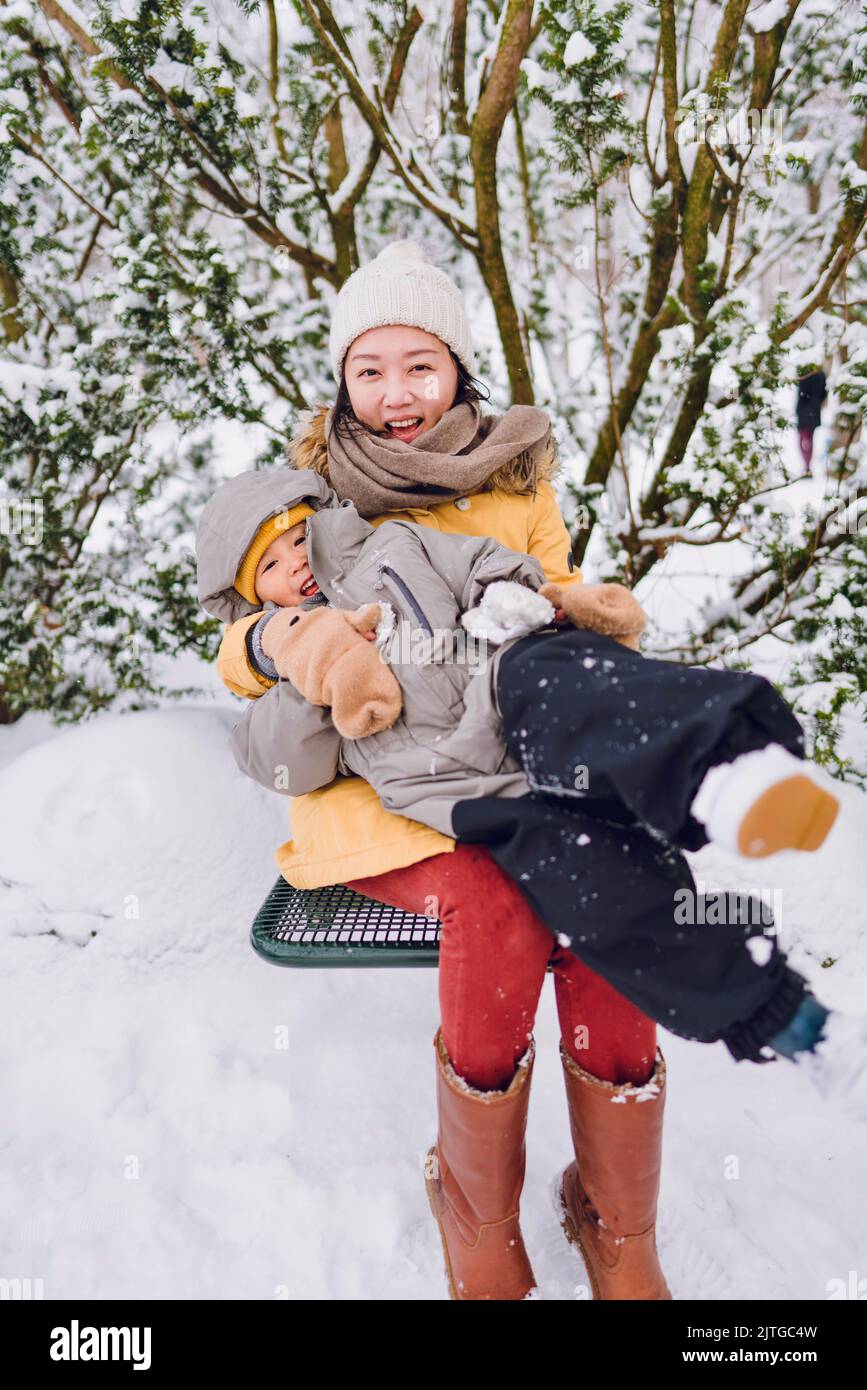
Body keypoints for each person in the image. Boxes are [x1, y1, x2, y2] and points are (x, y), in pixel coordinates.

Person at [201, 241, 837, 1303]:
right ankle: (476, 1209)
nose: (396, 393)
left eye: (420, 364)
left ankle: (617, 1216)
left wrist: (562, 611)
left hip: (507, 733)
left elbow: (557, 593)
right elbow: (239, 624)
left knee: (611, 867)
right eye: (369, 369)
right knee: (501, 894)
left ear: (457, 367)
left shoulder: (514, 471)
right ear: (341, 380)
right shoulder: (315, 496)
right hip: (386, 792)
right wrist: (276, 646)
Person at [796, 369, 828, 476]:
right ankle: (807, 466)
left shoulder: (805, 372)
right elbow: (824, 393)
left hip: (804, 410)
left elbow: (802, 393)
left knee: (804, 440)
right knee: (809, 440)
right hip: (814, 410)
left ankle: (807, 467)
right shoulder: (821, 374)